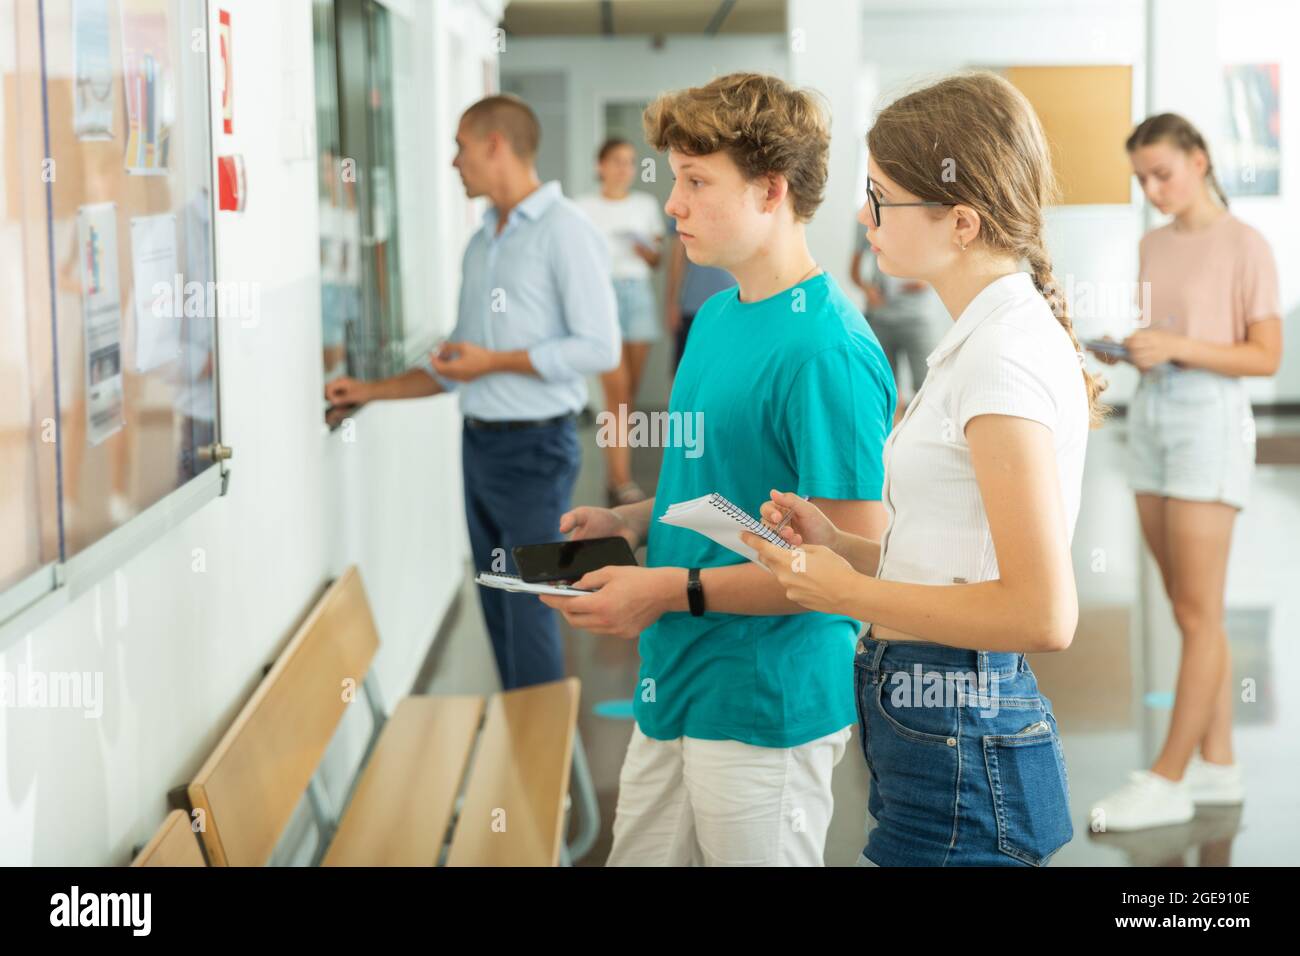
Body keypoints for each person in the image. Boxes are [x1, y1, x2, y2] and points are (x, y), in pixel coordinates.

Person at [744, 71, 1104, 866]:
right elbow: (961, 561)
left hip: (959, 728)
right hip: (935, 717)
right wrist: (845, 548)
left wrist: (854, 595)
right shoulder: (981, 340)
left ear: (962, 221)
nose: (863, 217)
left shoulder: (1003, 358)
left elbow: (1044, 613)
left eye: (880, 198)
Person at [538, 72, 897, 866]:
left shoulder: (827, 350)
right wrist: (630, 523)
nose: (673, 206)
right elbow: (709, 487)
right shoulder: (717, 316)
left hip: (764, 699)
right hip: (675, 677)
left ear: (771, 191)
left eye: (697, 182)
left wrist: (666, 589)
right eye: (676, 181)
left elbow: (843, 566)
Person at [324, 94, 620, 691]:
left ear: (495, 145)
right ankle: (520, 762)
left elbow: (599, 348)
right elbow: (460, 360)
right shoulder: (483, 241)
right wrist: (369, 390)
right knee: (497, 608)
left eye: (460, 147)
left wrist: (495, 361)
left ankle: (549, 782)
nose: (454, 162)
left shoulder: (566, 232)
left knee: (531, 612)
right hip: (479, 448)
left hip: (537, 452)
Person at [1085, 114, 1282, 830]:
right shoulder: (1150, 243)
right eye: (1141, 178)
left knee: (1200, 612)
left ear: (1199, 161)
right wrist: (1131, 349)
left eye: (1162, 173)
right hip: (1155, 420)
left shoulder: (1246, 244)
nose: (1152, 188)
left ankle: (1168, 776)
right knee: (1187, 609)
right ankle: (1219, 766)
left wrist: (1177, 344)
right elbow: (1165, 342)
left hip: (1210, 424)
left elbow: (1264, 357)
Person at [576, 139, 665, 506]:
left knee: (627, 396)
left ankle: (617, 476)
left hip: (637, 295)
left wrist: (643, 247)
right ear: (600, 165)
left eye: (630, 163)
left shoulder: (645, 205)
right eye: (616, 161)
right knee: (616, 393)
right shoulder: (582, 207)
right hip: (602, 295)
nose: (624, 169)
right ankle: (621, 479)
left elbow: (655, 260)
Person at [849, 228, 937, 412]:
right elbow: (854, 269)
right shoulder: (866, 222)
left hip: (917, 319)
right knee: (884, 390)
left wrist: (927, 279)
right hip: (880, 318)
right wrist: (868, 291)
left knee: (928, 388)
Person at [663, 219, 736, 375]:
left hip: (736, 305)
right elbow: (678, 256)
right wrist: (671, 302)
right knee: (684, 373)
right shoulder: (686, 201)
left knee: (728, 372)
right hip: (693, 304)